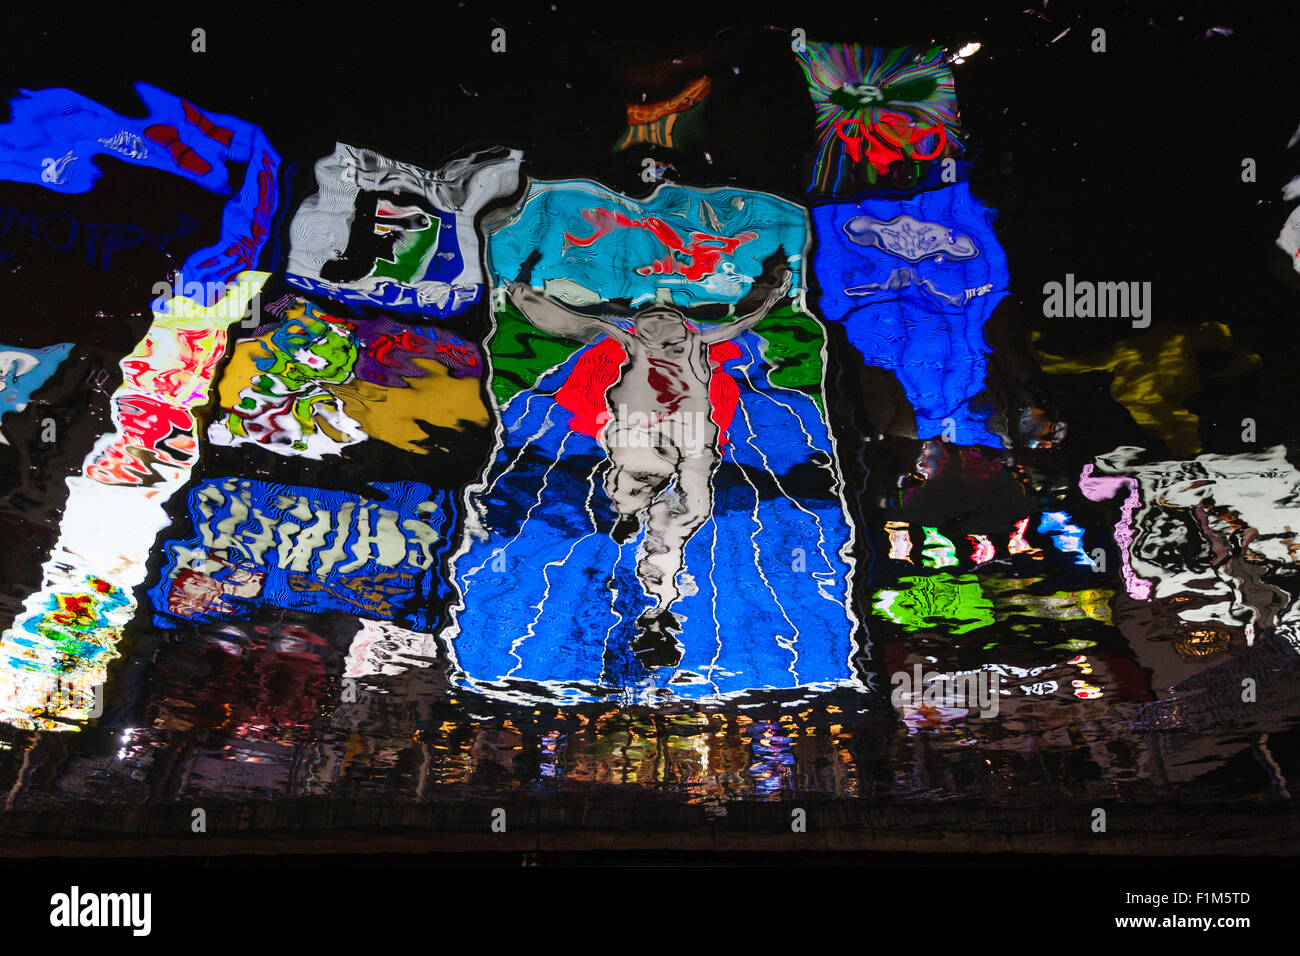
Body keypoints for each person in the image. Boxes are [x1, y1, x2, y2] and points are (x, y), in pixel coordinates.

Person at [505, 263, 791, 665]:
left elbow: (572, 322)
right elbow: (746, 320)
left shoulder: (644, 340)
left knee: (654, 489)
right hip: (684, 433)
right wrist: (775, 290)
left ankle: (652, 584)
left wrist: (521, 292)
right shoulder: (694, 342)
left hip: (650, 432)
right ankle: (657, 595)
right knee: (685, 502)